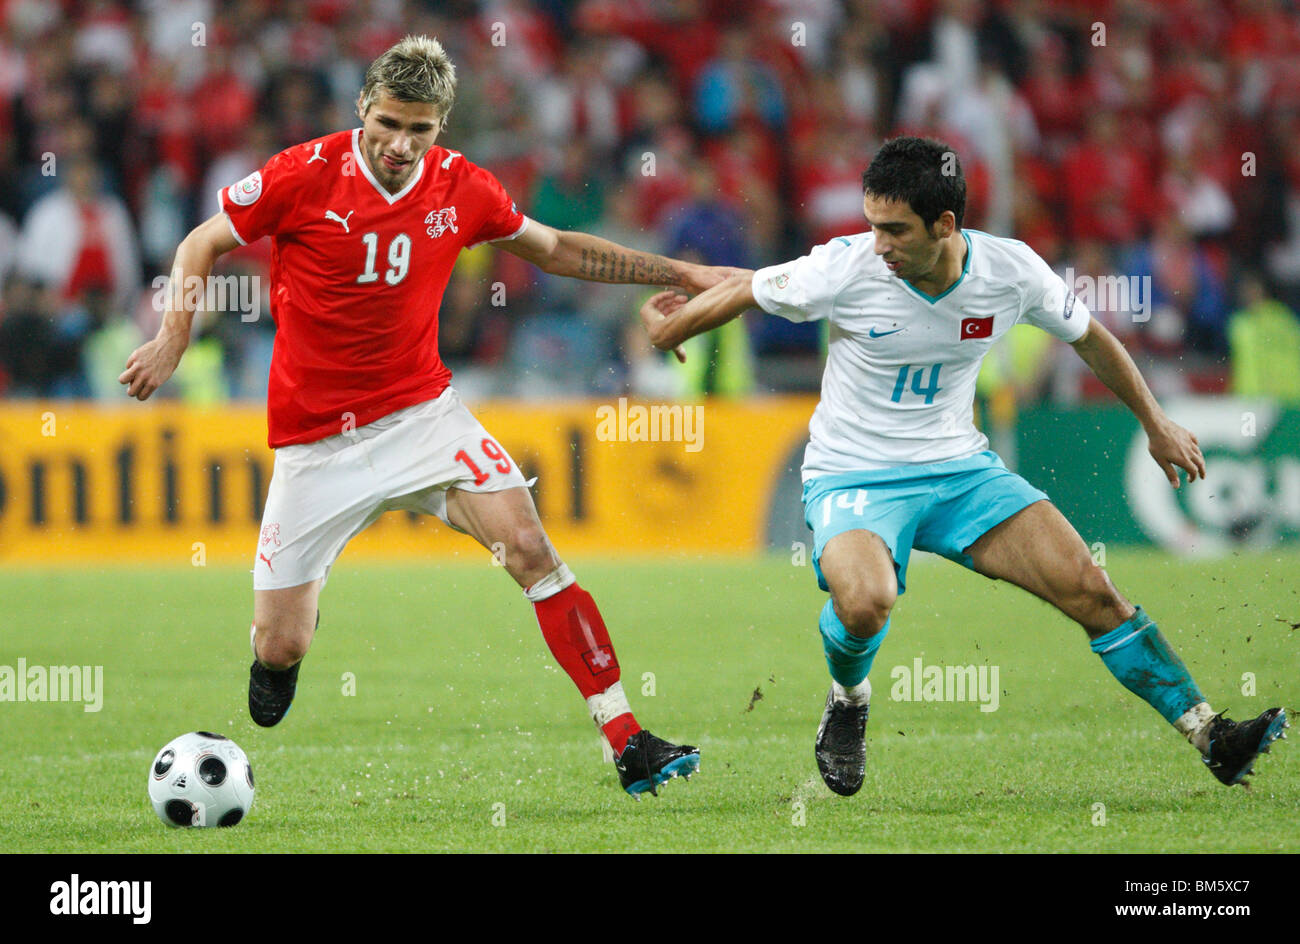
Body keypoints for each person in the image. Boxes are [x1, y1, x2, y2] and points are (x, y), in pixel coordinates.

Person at [119, 35, 718, 798]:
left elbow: (557, 249)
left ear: (443, 126)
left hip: (424, 418)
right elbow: (202, 241)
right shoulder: (303, 174)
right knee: (281, 641)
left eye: (421, 129)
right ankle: (274, 662)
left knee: (531, 549)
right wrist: (173, 336)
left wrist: (679, 270)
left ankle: (625, 738)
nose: (401, 145)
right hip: (317, 444)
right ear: (364, 108)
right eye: (389, 124)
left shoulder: (462, 187)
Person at [639, 136, 1288, 795]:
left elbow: (1090, 337)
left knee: (1092, 590)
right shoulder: (844, 266)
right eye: (871, 225)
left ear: (945, 225)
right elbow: (749, 289)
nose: (879, 244)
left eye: (894, 230)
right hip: (853, 473)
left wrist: (1155, 422)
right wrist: (671, 331)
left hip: (961, 473)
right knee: (865, 603)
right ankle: (848, 699)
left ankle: (1211, 735)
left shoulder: (1010, 271)